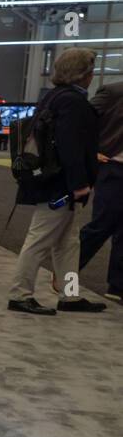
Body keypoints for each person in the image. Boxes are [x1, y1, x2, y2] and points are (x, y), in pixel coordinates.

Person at [7, 47, 106, 315]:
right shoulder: (73, 101)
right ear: (83, 73)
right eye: (91, 68)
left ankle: (69, 295)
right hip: (60, 185)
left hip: (53, 182)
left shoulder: (54, 97)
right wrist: (79, 183)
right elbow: (69, 145)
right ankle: (20, 294)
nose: (93, 73)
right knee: (41, 240)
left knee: (67, 243)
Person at [78, 81, 123, 302]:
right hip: (113, 166)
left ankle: (117, 288)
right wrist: (92, 151)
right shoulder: (114, 91)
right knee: (101, 225)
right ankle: (65, 274)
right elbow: (80, 121)